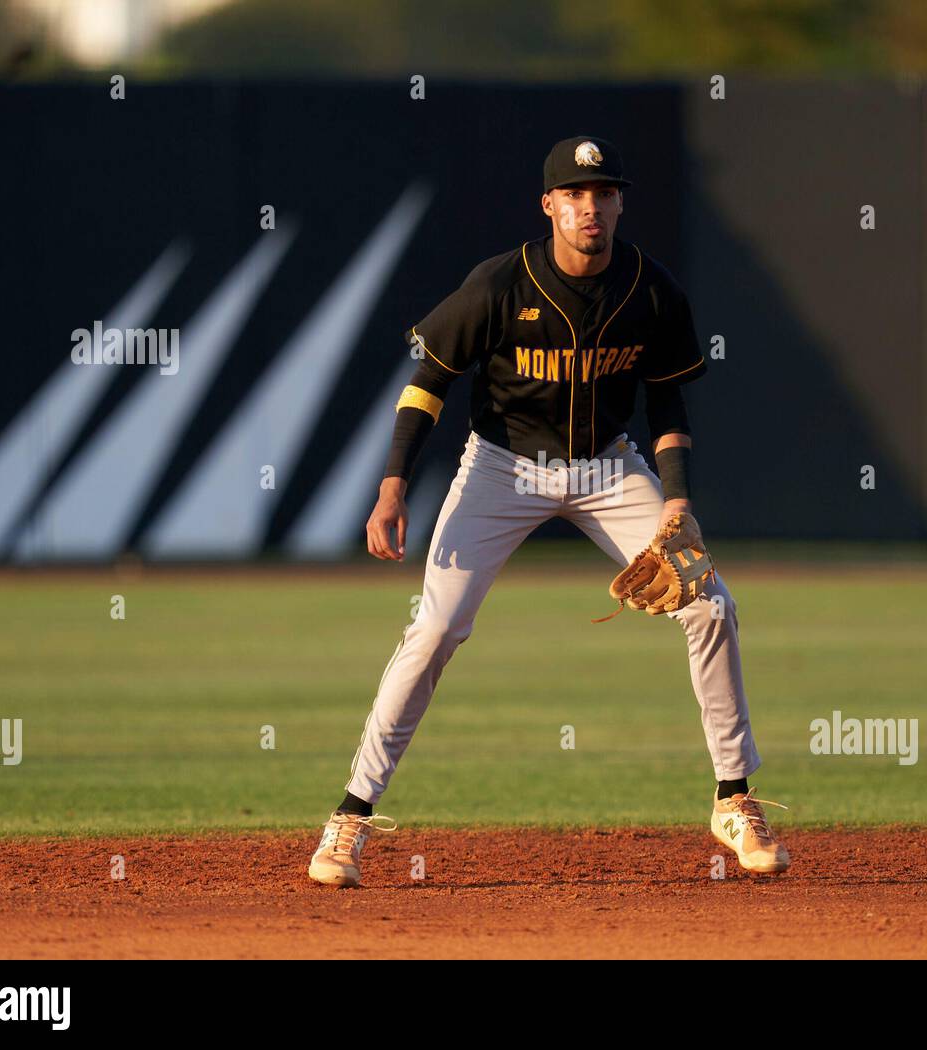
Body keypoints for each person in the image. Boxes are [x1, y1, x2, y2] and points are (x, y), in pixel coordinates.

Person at [308, 136, 789, 887]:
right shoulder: (500, 283)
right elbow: (428, 379)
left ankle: (735, 799)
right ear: (549, 205)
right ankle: (350, 818)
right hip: (502, 466)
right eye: (573, 194)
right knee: (435, 628)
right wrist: (393, 484)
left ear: (620, 202)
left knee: (710, 605)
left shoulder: (649, 290)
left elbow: (666, 396)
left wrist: (678, 502)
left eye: (601, 193)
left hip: (607, 466)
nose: (588, 207)